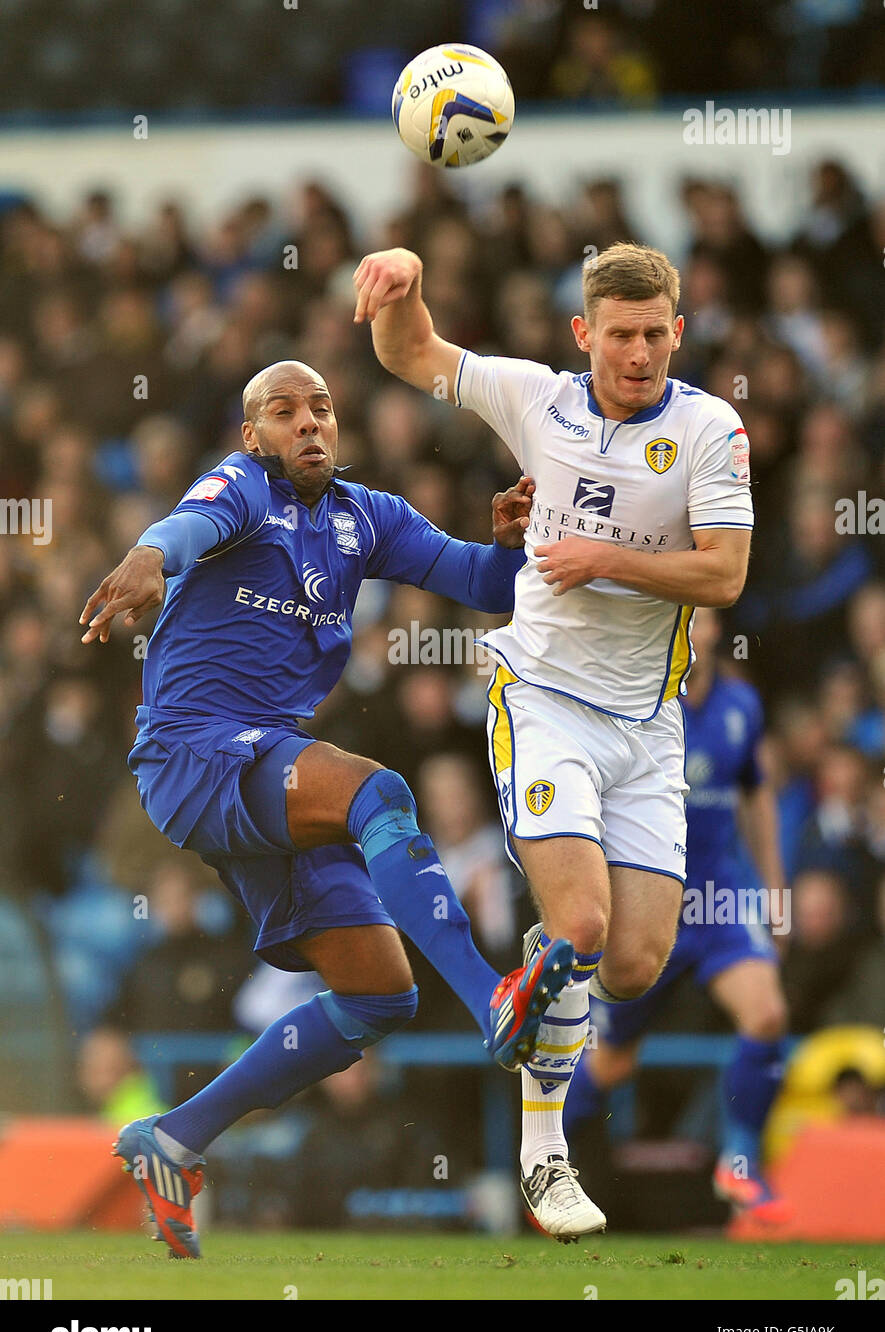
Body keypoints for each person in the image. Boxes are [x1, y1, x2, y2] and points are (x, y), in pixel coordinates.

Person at [80, 358, 574, 1258]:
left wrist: (509, 544)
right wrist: (149, 556)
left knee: (378, 995)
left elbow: (484, 585)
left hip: (264, 767)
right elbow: (188, 525)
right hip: (194, 752)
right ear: (252, 434)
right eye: (283, 410)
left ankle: (177, 1136)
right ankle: (493, 1002)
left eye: (321, 408)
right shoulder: (241, 489)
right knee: (375, 790)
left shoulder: (363, 516)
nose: (308, 423)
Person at [355, 240, 753, 1239]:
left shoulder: (710, 428)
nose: (641, 352)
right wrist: (404, 280)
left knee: (632, 962)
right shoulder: (539, 400)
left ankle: (550, 964)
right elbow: (417, 356)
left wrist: (602, 556)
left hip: (649, 729)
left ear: (677, 330)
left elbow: (725, 576)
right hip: (541, 699)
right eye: (621, 334)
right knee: (581, 928)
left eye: (657, 332)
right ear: (586, 334)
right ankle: (546, 1156)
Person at [563, 608, 792, 1225]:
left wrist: (775, 894)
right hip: (648, 901)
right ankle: (548, 1158)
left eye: (705, 619)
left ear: (715, 628)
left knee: (767, 1014)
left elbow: (757, 795)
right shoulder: (632, 702)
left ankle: (739, 1161)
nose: (696, 630)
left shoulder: (742, 703)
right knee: (612, 1061)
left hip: (720, 899)